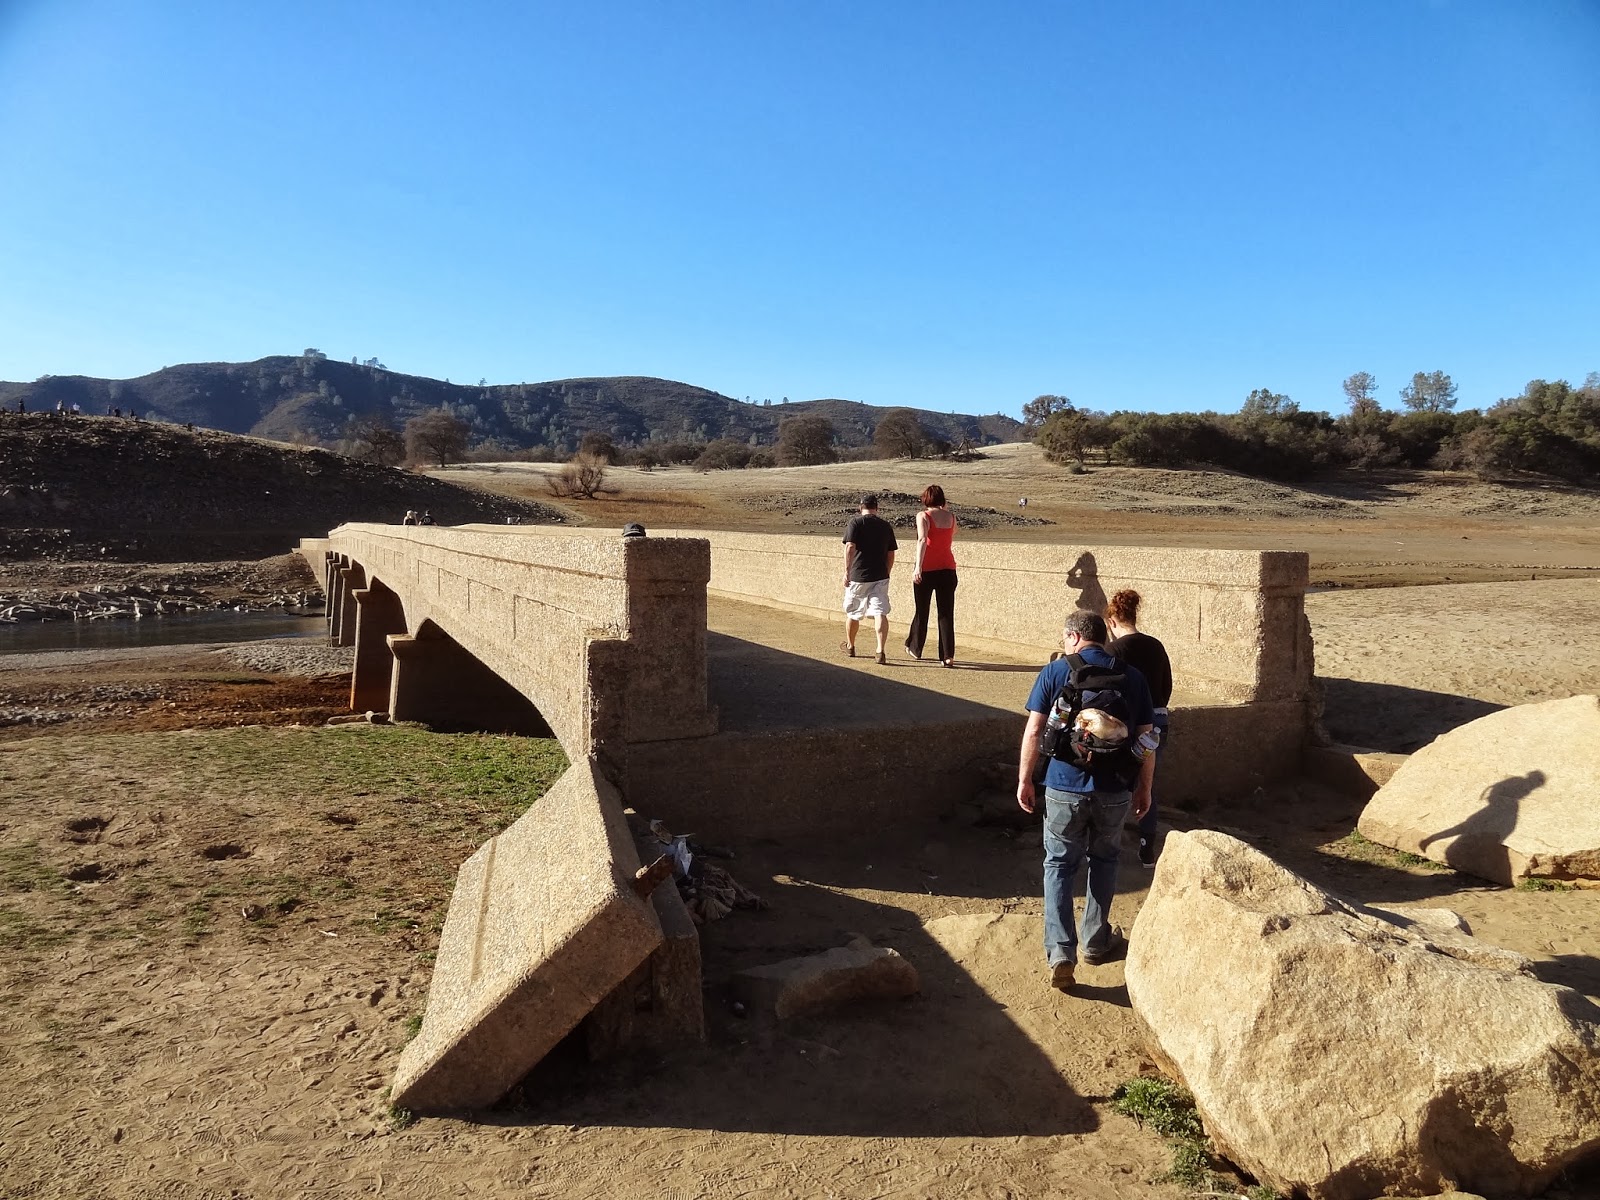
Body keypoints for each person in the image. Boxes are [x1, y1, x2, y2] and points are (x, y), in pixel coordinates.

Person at [1017, 610, 1156, 993]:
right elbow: (1146, 739)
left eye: (1065, 638)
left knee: (1059, 865)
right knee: (1106, 859)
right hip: (1115, 790)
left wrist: (1025, 778)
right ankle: (1095, 942)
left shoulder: (1056, 672)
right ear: (1102, 637)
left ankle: (1061, 952)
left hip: (1064, 786)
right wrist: (1144, 788)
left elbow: (1034, 731)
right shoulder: (1133, 677)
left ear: (1075, 637)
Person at [1105, 589, 1172, 868]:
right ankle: (1147, 848)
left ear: (1111, 622)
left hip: (1130, 724)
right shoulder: (1155, 645)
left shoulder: (1114, 651)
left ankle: (1108, 842)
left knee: (1117, 782)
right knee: (1148, 784)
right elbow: (1167, 686)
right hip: (1159, 720)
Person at [904, 484, 958, 667]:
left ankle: (916, 649)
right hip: (948, 569)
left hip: (927, 569)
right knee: (946, 614)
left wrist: (917, 567)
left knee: (922, 611)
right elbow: (951, 535)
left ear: (926, 499)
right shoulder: (951, 517)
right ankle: (947, 656)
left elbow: (922, 540)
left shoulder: (923, 516)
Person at [840, 494, 897, 665]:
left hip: (858, 576)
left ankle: (850, 646)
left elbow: (850, 546)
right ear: (876, 508)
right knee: (880, 612)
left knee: (853, 612)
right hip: (880, 575)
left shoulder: (855, 523)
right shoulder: (885, 526)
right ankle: (880, 650)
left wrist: (847, 572)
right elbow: (891, 553)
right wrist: (887, 571)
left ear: (860, 507)